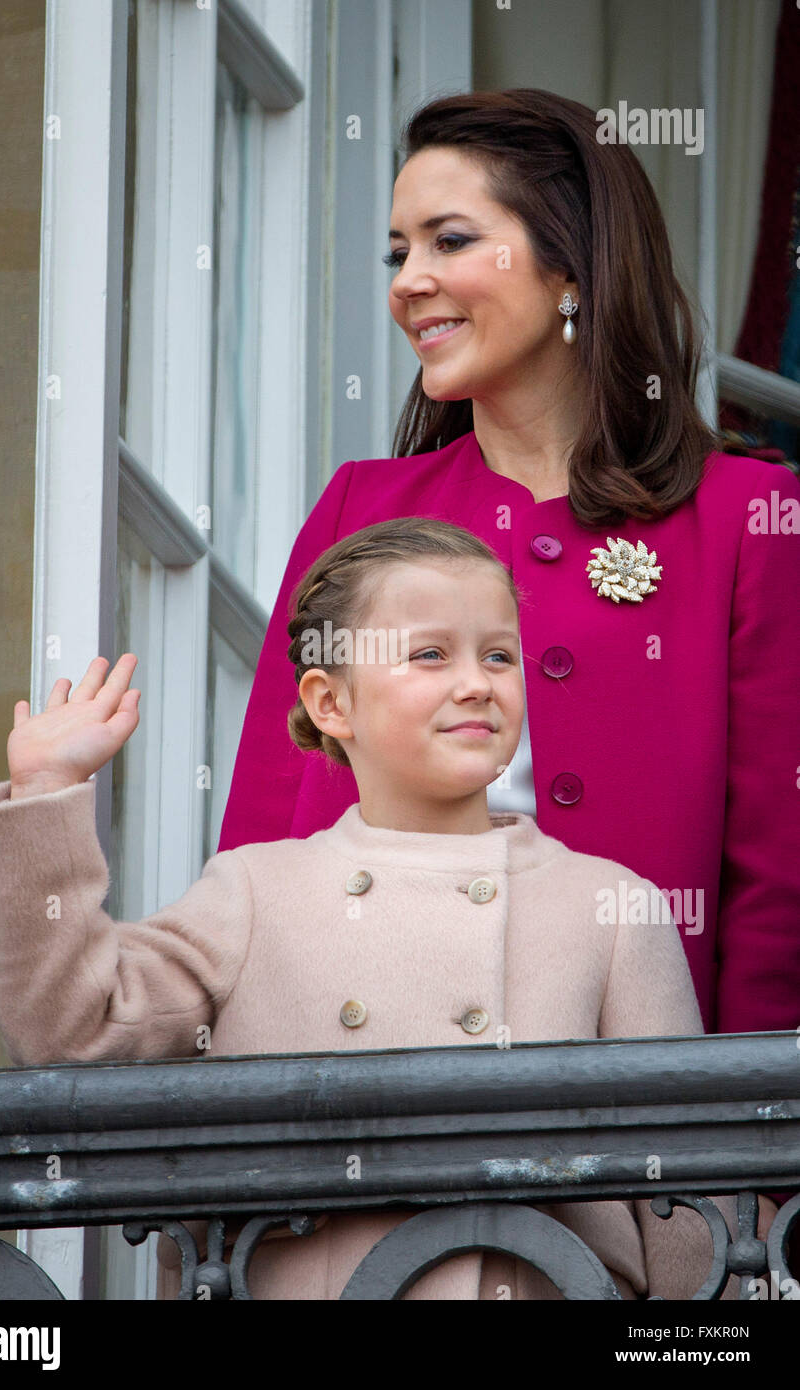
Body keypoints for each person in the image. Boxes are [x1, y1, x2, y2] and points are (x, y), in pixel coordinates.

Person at [0, 517, 772, 1300]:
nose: (476, 683)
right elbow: (70, 1031)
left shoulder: (612, 905)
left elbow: (684, 1204)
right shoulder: (254, 890)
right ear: (331, 703)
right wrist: (43, 796)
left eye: (499, 655)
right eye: (429, 654)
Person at [217, 89, 800, 1041]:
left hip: (634, 1103)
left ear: (570, 264)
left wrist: (745, 1157)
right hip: (358, 1079)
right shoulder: (360, 508)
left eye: (448, 241)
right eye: (398, 252)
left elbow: (777, 882)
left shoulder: (742, 520)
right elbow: (266, 824)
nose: (408, 280)